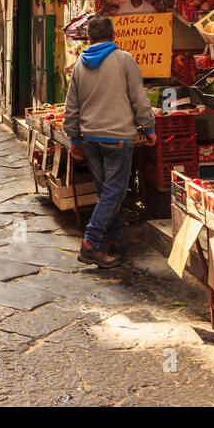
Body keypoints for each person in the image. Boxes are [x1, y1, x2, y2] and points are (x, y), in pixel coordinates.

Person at [63, 15, 156, 268]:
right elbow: (138, 97)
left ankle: (113, 240)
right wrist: (148, 127)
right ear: (113, 36)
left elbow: (71, 106)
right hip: (117, 138)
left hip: (91, 138)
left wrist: (74, 139)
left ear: (89, 38)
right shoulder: (124, 60)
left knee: (106, 192)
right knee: (114, 192)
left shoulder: (80, 65)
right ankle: (91, 242)